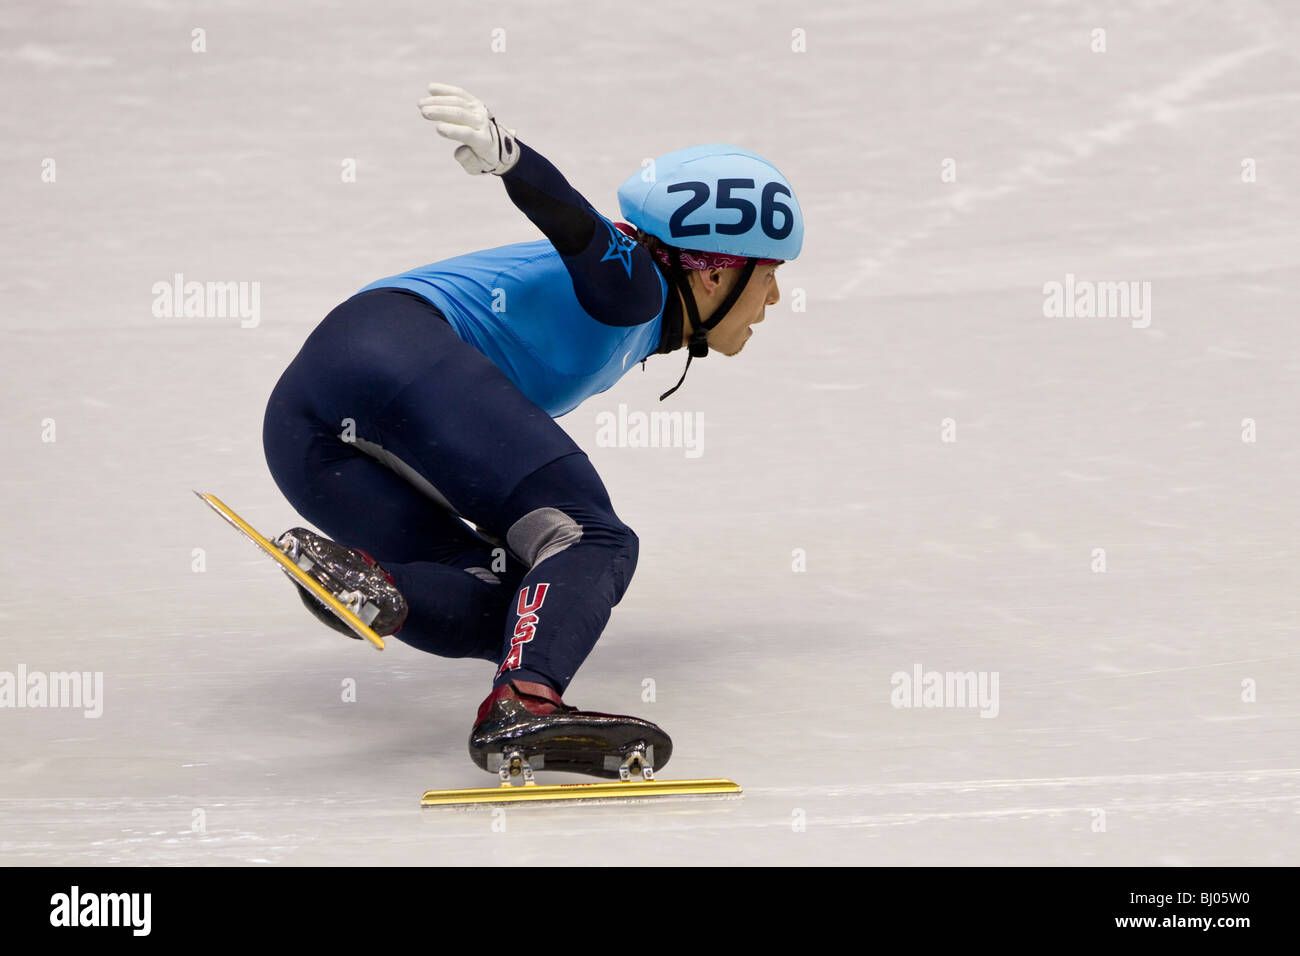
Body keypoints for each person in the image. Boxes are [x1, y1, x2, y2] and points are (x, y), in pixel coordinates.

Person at [260, 83, 804, 778]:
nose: (776, 298)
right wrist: (512, 159)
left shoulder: (641, 299)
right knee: (593, 539)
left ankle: (365, 580)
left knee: (515, 610)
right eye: (769, 274)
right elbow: (584, 231)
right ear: (713, 273)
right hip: (391, 348)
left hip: (302, 430)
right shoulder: (638, 284)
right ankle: (525, 705)